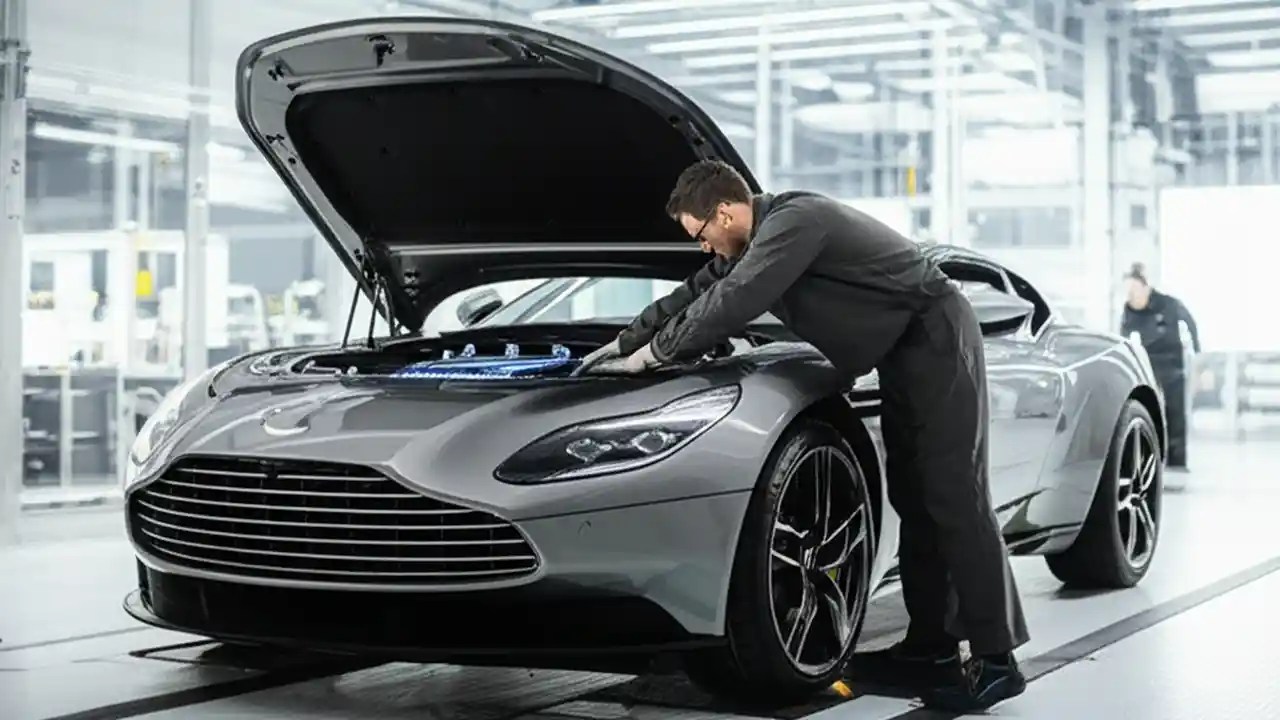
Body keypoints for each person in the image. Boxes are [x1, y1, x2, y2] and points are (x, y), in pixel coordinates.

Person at [578, 160, 1029, 712]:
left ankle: (998, 658)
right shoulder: (742, 246)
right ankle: (929, 649)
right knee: (914, 496)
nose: (702, 248)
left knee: (955, 495)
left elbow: (734, 300)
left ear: (724, 212)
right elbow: (691, 294)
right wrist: (623, 344)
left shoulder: (796, 221)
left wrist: (656, 356)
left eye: (700, 234)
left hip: (935, 338)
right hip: (900, 353)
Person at [1120, 263, 1200, 471]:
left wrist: (1197, 353)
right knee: (1152, 412)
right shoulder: (1129, 310)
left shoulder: (1170, 305)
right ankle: (1151, 461)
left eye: (1135, 291)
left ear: (1145, 287)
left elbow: (1191, 324)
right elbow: (1123, 338)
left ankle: (1178, 461)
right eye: (1129, 292)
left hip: (1173, 365)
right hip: (1149, 365)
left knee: (1175, 413)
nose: (1132, 296)